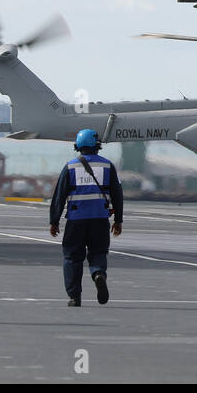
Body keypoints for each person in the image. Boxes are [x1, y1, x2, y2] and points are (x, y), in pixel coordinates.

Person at [49, 129, 123, 306]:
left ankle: (75, 297)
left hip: (76, 220)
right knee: (98, 253)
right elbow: (117, 194)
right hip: (100, 220)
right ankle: (98, 273)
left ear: (78, 146)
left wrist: (54, 221)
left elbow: (59, 196)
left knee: (72, 257)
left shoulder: (70, 166)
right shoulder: (107, 166)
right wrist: (118, 220)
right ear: (97, 146)